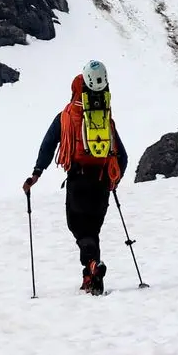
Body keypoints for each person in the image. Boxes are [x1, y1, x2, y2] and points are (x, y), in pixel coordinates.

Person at [23, 59, 128, 295]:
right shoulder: (105, 117)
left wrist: (36, 174)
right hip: (101, 181)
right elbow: (123, 156)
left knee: (79, 229)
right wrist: (113, 181)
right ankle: (91, 277)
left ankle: (92, 266)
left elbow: (48, 145)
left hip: (78, 180)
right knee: (93, 230)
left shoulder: (67, 116)